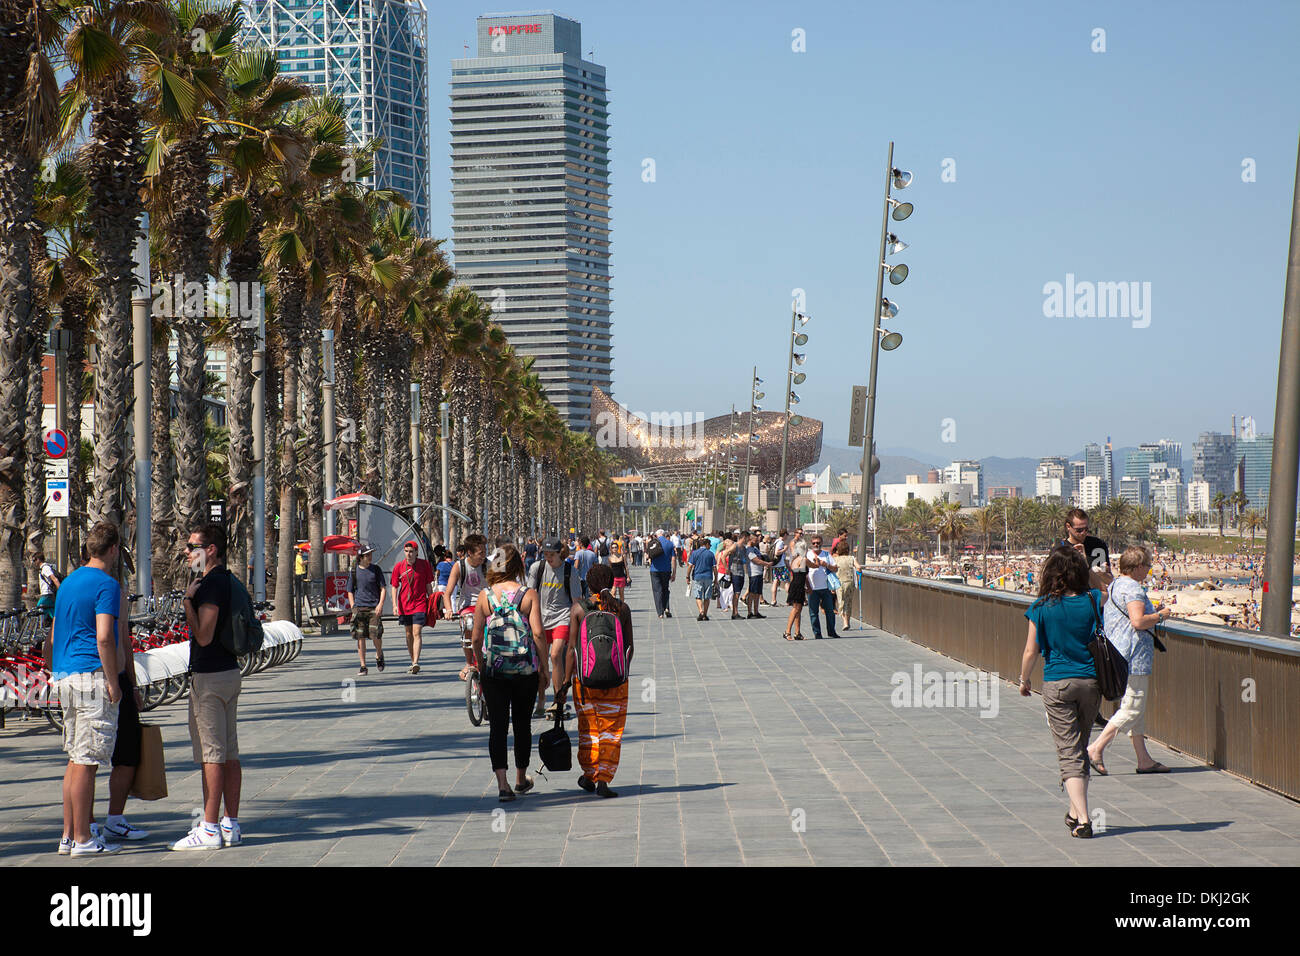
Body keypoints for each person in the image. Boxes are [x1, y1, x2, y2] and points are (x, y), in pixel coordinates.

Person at [1018, 546, 1103, 839]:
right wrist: (1085, 565)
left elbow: (1031, 650)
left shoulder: (1041, 607)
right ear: (1079, 572)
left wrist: (1023, 679)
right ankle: (1073, 810)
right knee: (1080, 747)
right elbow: (1104, 584)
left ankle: (1083, 818)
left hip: (1057, 684)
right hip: (1091, 683)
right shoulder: (1093, 600)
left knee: (1069, 752)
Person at [51, 521, 123, 856]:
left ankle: (68, 835)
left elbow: (52, 635)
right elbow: (105, 636)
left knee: (74, 758)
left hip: (65, 675)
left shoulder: (67, 583)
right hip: (91, 676)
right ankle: (83, 838)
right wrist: (113, 681)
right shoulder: (106, 585)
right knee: (87, 761)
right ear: (113, 550)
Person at [173, 522, 244, 850]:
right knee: (229, 753)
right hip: (229, 672)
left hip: (211, 678)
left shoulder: (210, 585)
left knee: (212, 755)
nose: (187, 552)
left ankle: (210, 827)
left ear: (210, 549)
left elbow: (203, 634)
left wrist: (188, 601)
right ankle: (231, 824)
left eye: (192, 546)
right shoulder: (227, 579)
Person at [471, 546, 547, 802]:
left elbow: (476, 637)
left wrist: (480, 664)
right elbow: (537, 634)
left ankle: (503, 785)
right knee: (522, 724)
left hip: (495, 672)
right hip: (525, 671)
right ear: (518, 566)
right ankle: (520, 778)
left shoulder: (485, 596)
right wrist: (544, 668)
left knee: (498, 728)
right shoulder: (529, 595)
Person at [1089, 546, 1173, 775]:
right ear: (1137, 567)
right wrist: (1161, 615)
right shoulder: (1133, 588)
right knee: (1133, 707)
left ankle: (1143, 759)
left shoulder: (1115, 585)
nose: (1148, 569)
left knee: (1135, 708)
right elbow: (1138, 621)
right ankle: (1096, 748)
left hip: (1118, 654)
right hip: (1134, 655)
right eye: (1147, 565)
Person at [566, 563, 633, 798]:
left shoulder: (579, 609)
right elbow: (629, 648)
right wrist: (619, 673)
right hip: (617, 681)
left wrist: (566, 680)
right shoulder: (621, 609)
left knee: (589, 727)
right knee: (612, 730)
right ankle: (604, 778)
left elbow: (571, 649)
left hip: (584, 681)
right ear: (612, 582)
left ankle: (588, 774)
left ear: (589, 583)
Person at [527, 537, 581, 719]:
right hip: (540, 619)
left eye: (552, 554)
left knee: (556, 655)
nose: (548, 558)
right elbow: (529, 594)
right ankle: (541, 700)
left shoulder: (569, 571)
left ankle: (559, 700)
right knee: (541, 662)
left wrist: (577, 624)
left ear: (560, 553)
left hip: (562, 617)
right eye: (545, 554)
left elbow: (576, 602)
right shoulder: (537, 568)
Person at [445, 534, 489, 680]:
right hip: (468, 606)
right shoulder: (459, 566)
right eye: (480, 553)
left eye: (485, 552)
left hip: (486, 605)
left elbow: (500, 587)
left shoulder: (489, 565)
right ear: (469, 552)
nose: (483, 556)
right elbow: (448, 593)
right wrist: (449, 610)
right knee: (468, 625)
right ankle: (469, 663)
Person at [390, 540, 434, 674]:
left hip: (420, 603)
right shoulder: (399, 566)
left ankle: (416, 662)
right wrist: (394, 605)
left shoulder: (424, 565)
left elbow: (428, 585)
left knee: (417, 632)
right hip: (404, 604)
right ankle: (412, 660)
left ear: (416, 553)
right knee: (408, 634)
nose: (408, 554)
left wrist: (432, 602)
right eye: (406, 551)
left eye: (411, 552)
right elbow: (394, 587)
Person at [348, 545, 386, 675]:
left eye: (371, 554)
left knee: (376, 635)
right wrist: (353, 606)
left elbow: (383, 589)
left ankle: (379, 654)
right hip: (359, 608)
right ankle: (363, 666)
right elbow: (350, 591)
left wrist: (380, 604)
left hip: (373, 608)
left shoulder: (376, 570)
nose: (370, 557)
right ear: (361, 557)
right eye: (367, 555)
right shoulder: (354, 571)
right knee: (360, 637)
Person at [1062, 508, 1113, 590]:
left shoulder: (1098, 545)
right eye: (1079, 530)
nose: (1083, 533)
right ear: (1068, 526)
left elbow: (1110, 580)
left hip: (1094, 597)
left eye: (1086, 529)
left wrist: (1102, 574)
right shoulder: (1060, 549)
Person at [804, 535, 839, 638]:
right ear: (811, 544)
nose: (816, 545)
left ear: (821, 543)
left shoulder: (827, 555)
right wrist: (806, 586)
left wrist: (826, 565)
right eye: (814, 543)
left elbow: (835, 569)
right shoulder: (807, 555)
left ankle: (831, 632)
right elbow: (803, 571)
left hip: (826, 588)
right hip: (812, 589)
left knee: (830, 612)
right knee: (813, 612)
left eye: (818, 543)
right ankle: (817, 633)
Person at [832, 540, 863, 632]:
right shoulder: (852, 558)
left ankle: (845, 622)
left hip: (839, 583)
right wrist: (859, 576)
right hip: (850, 582)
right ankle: (847, 621)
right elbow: (859, 567)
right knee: (848, 602)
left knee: (841, 602)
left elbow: (831, 571)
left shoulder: (835, 559)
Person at [647, 528, 676, 618]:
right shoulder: (670, 544)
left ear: (656, 535)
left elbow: (648, 557)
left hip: (654, 570)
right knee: (665, 589)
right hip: (666, 570)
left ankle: (660, 613)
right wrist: (674, 573)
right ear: (664, 534)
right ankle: (666, 607)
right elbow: (673, 559)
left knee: (657, 591)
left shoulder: (652, 543)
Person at [687, 536, 717, 620]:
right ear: (706, 544)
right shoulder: (710, 554)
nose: (710, 546)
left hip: (698, 577)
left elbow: (690, 566)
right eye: (709, 545)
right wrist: (716, 579)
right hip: (708, 577)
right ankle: (705, 614)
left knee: (698, 596)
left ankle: (701, 611)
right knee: (707, 597)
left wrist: (687, 576)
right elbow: (714, 567)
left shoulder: (695, 553)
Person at [744, 532, 771, 619]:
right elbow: (756, 560)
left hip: (759, 572)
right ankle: (749, 612)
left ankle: (756, 611)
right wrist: (767, 563)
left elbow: (760, 557)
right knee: (752, 593)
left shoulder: (755, 548)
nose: (756, 542)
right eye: (755, 540)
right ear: (750, 540)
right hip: (754, 573)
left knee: (758, 593)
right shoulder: (749, 549)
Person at [723, 533, 748, 620]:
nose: (748, 540)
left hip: (741, 572)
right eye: (747, 538)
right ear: (744, 538)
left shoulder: (744, 548)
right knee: (736, 593)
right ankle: (735, 613)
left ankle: (735, 612)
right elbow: (723, 555)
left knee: (738, 592)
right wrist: (727, 568)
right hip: (735, 572)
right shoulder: (735, 546)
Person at [784, 549, 807, 641]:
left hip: (796, 586)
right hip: (797, 587)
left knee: (798, 609)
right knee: (796, 609)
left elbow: (799, 576)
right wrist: (817, 561)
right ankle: (787, 632)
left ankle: (797, 633)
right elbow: (815, 566)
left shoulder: (794, 560)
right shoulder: (803, 559)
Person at [34, 550, 60, 623]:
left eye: (34, 560)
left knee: (38, 611)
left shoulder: (45, 568)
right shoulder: (43, 568)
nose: (34, 562)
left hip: (47, 594)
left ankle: (37, 628)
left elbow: (54, 579)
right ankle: (58, 625)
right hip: (47, 594)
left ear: (39, 559)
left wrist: (61, 591)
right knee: (52, 612)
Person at [573, 534, 597, 599]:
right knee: (587, 596)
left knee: (579, 596)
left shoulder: (578, 553)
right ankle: (588, 608)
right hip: (589, 578)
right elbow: (595, 567)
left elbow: (576, 566)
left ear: (581, 544)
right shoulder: (593, 554)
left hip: (580, 578)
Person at [609, 534, 628, 602]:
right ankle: (614, 607)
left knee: (621, 594)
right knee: (613, 593)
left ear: (618, 548)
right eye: (613, 547)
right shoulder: (610, 558)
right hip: (614, 578)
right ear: (611, 549)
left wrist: (628, 577)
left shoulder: (622, 556)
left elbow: (625, 566)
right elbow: (610, 569)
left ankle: (622, 607)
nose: (614, 549)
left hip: (621, 577)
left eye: (615, 547)